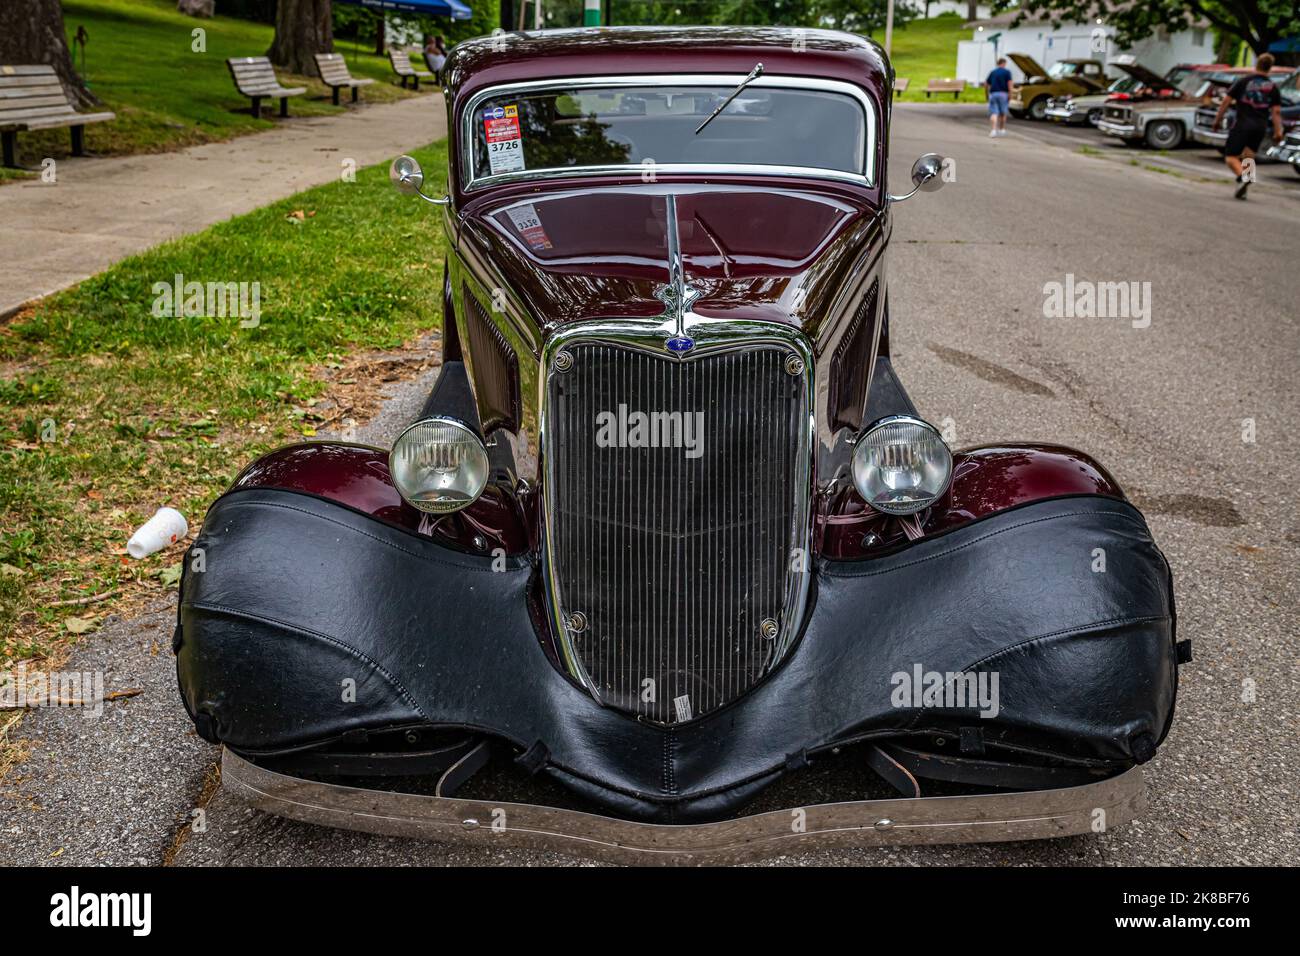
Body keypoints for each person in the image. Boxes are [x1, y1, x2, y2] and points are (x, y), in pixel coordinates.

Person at [1212, 53, 1284, 200]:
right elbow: (1276, 111)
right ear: (1270, 68)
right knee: (1249, 156)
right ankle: (1243, 189)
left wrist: (1217, 120)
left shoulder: (1243, 81)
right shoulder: (1273, 87)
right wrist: (1278, 131)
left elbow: (1226, 101)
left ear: (1256, 64)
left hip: (1242, 124)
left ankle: (1243, 177)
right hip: (1260, 126)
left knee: (1231, 157)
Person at [985, 57, 1014, 138]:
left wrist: (986, 95)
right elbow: (1010, 83)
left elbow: (986, 84)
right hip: (1003, 94)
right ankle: (1002, 129)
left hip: (993, 94)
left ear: (998, 63)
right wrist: (1010, 94)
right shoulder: (1007, 72)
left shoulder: (993, 72)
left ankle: (993, 130)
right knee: (1003, 113)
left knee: (994, 113)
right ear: (1004, 63)